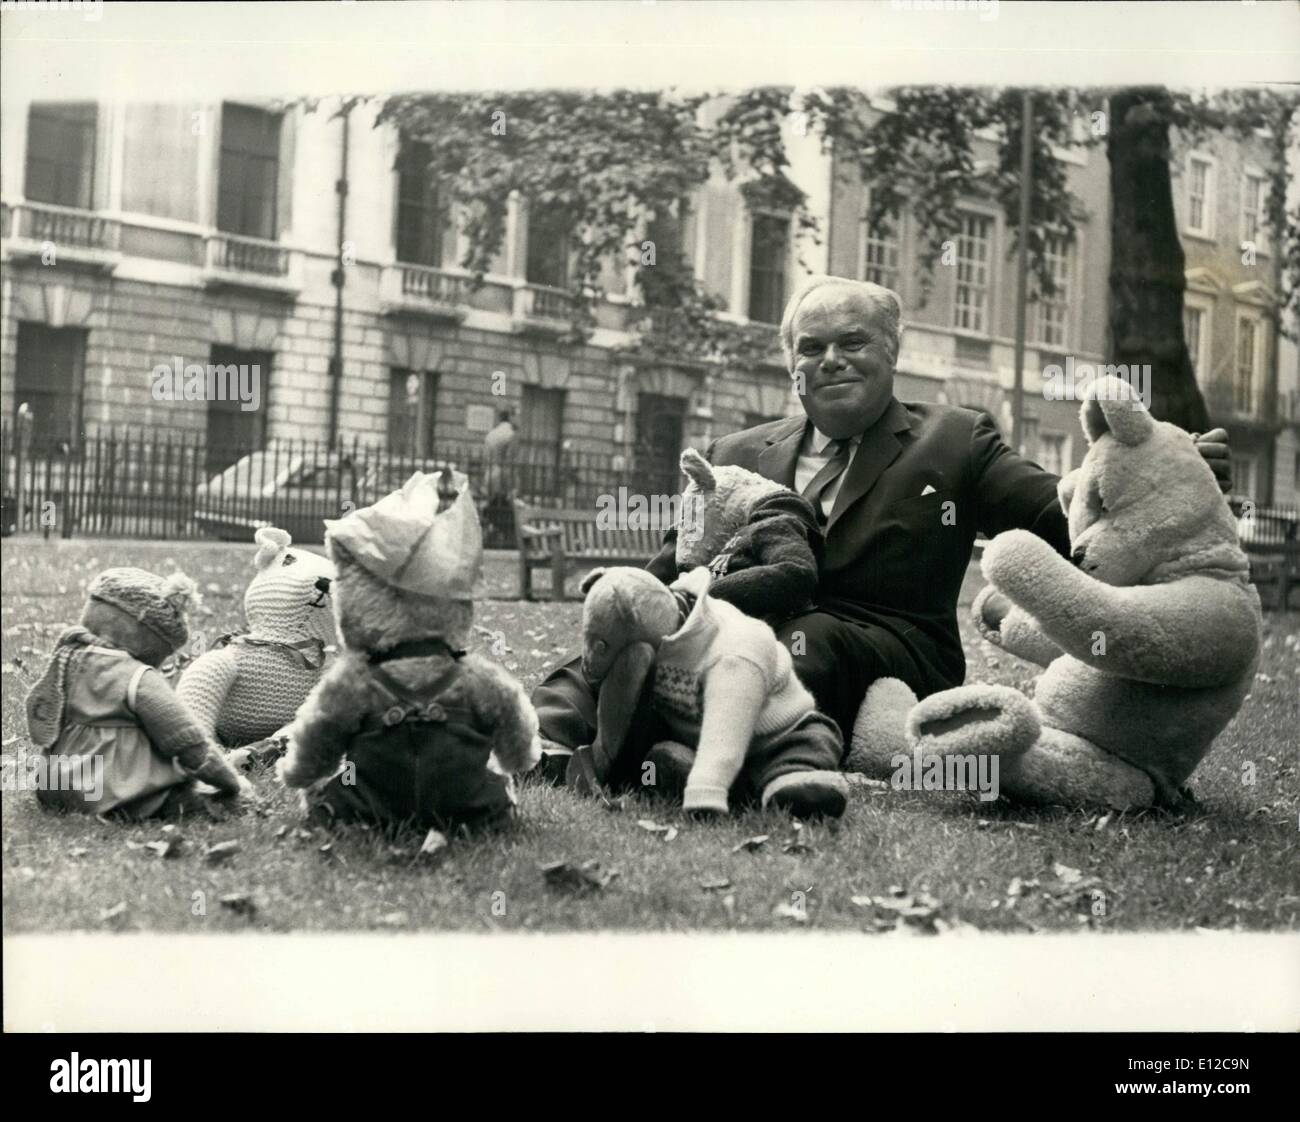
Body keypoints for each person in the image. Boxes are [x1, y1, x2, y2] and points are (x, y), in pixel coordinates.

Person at [530, 275, 1232, 783]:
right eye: (811, 348)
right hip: (730, 631)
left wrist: (1162, 475)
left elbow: (1065, 519)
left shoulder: (955, 441)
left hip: (888, 644)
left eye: (852, 342)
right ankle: (545, 742)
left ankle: (712, 759)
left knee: (812, 634)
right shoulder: (734, 455)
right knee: (639, 615)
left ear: (892, 353)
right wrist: (632, 606)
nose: (830, 358)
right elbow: (669, 568)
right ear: (791, 366)